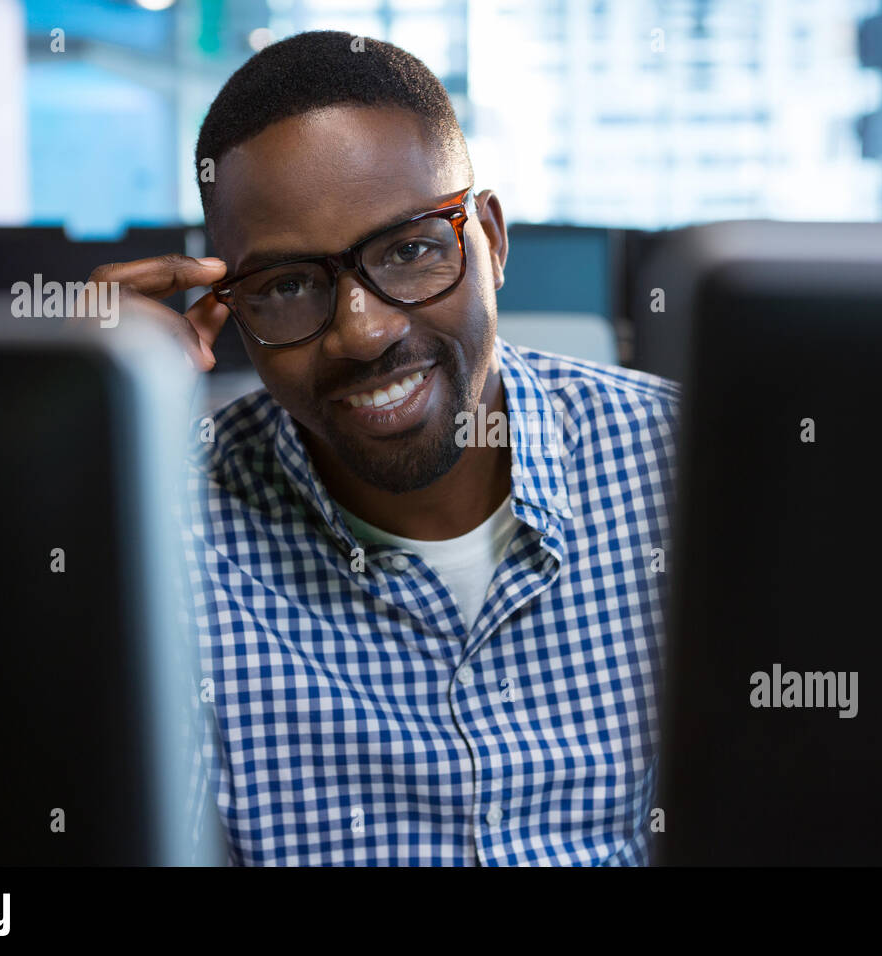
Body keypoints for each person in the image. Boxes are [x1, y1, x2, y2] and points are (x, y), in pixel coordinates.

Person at [87, 30, 679, 865]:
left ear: (492, 241)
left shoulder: (685, 470)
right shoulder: (165, 530)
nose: (364, 333)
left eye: (409, 249)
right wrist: (67, 428)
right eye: (288, 285)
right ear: (228, 306)